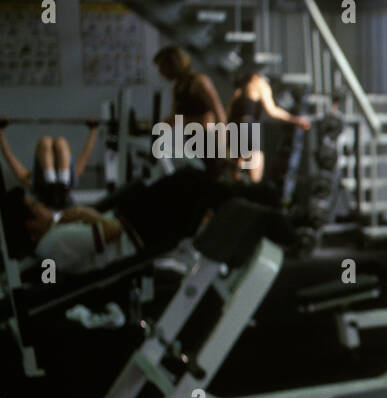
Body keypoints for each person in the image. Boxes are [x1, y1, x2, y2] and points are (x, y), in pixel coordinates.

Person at [3, 166, 273, 276]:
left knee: (195, 184)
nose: (42, 206)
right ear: (29, 224)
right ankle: (261, 200)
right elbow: (112, 231)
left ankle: (257, 199)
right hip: (138, 235)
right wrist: (88, 215)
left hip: (135, 225)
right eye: (34, 206)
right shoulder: (53, 242)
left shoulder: (53, 239)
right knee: (191, 182)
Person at [148, 45, 226, 173]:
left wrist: (222, 145)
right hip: (191, 137)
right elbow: (175, 117)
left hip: (207, 138)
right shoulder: (178, 87)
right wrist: (153, 127)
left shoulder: (200, 82)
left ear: (173, 64)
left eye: (162, 67)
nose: (161, 73)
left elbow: (219, 114)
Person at [227, 69, 311, 183]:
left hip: (234, 128)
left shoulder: (239, 91)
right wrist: (296, 120)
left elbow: (228, 114)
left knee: (236, 172)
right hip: (250, 127)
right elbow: (272, 111)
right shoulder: (260, 84)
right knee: (255, 176)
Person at [0, 117, 99, 211]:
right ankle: (58, 182)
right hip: (62, 184)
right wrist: (93, 130)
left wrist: (0, 132)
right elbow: (85, 156)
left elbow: (10, 158)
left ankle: (51, 180)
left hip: (48, 187)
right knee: (60, 143)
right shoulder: (71, 178)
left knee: (46, 142)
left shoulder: (34, 182)